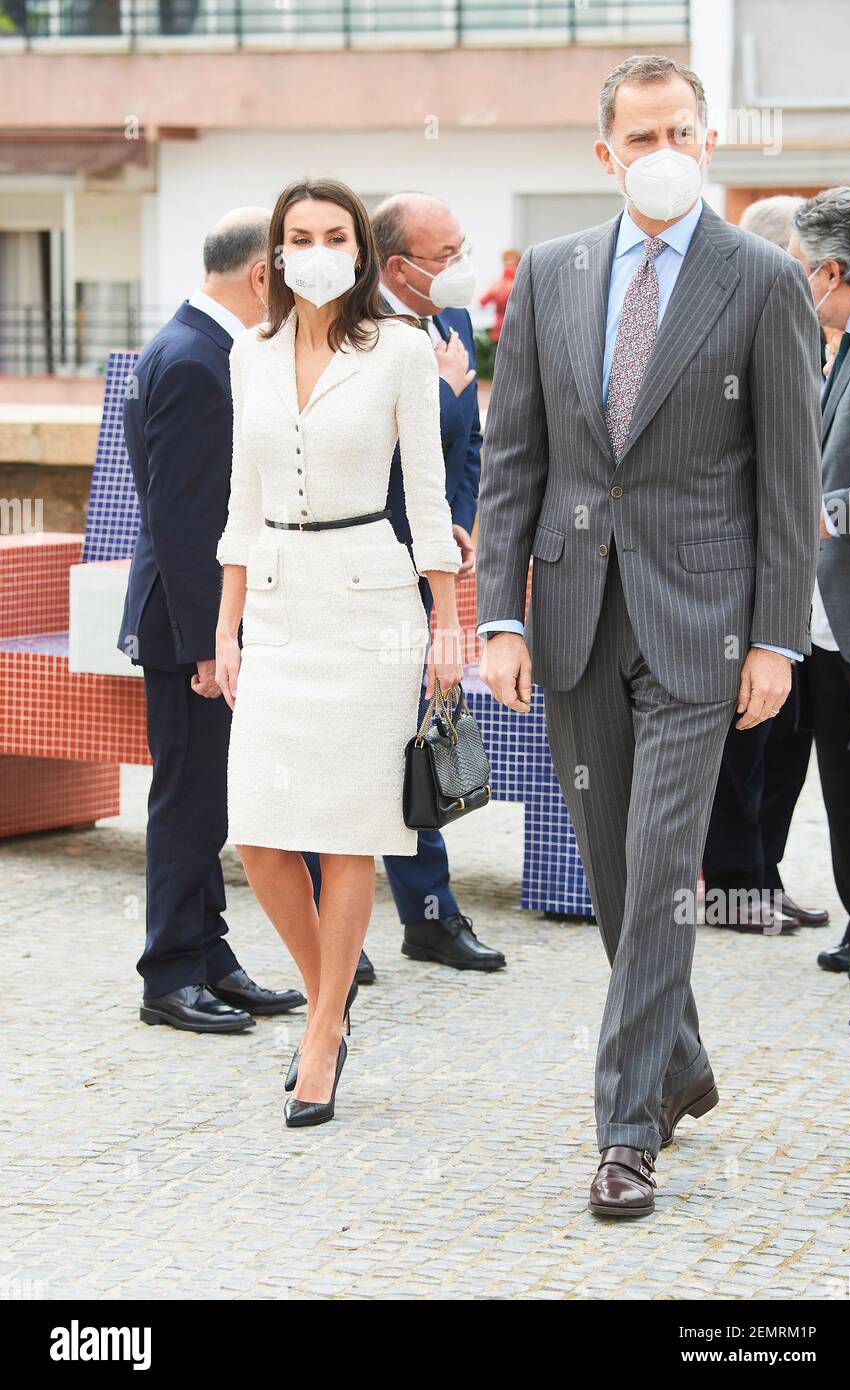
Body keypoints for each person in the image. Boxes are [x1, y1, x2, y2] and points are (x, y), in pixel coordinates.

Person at [476, 53, 821, 1215]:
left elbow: (787, 478)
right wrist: (500, 613)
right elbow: (512, 457)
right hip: (571, 615)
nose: (661, 152)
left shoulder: (763, 280)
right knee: (617, 882)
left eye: (681, 131)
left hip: (702, 626)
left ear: (708, 139)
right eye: (640, 136)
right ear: (604, 153)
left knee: (665, 869)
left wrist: (776, 638)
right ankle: (678, 1063)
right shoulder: (553, 276)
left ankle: (623, 1128)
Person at [214, 178, 464, 1128]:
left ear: (359, 252)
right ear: (275, 254)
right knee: (262, 833)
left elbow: (431, 501)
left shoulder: (400, 350)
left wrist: (445, 622)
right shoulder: (249, 353)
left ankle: (323, 1033)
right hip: (276, 602)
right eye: (298, 236)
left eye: (333, 234)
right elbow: (239, 503)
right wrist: (226, 628)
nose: (315, 248)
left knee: (349, 830)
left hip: (371, 601)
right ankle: (333, 992)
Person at [301, 192, 503, 983]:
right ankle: (331, 933)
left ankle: (430, 915)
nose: (461, 268)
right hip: (352, 572)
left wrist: (458, 526)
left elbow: (467, 448)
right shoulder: (343, 329)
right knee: (342, 746)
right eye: (446, 256)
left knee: (421, 737)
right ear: (396, 266)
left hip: (429, 570)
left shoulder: (450, 324)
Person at [120, 208, 306, 1034]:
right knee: (189, 800)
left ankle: (210, 957)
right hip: (191, 626)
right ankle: (169, 973)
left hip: (200, 621)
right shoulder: (197, 359)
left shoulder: (193, 346)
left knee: (209, 796)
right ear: (261, 274)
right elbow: (184, 519)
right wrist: (210, 643)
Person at [703, 194, 827, 932]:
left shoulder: (813, 334)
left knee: (784, 744)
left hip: (797, 580)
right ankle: (733, 886)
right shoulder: (743, 320)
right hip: (740, 572)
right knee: (740, 746)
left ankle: (764, 873)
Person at [787, 187, 850, 1031]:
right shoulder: (840, 342)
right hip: (832, 615)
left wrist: (831, 511)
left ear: (832, 270)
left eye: (805, 273)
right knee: (842, 786)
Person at [480, 249, 521, 354]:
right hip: (500, 331)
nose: (509, 267)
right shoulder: (497, 285)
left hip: (517, 330)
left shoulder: (521, 283)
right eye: (507, 263)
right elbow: (482, 302)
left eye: (513, 263)